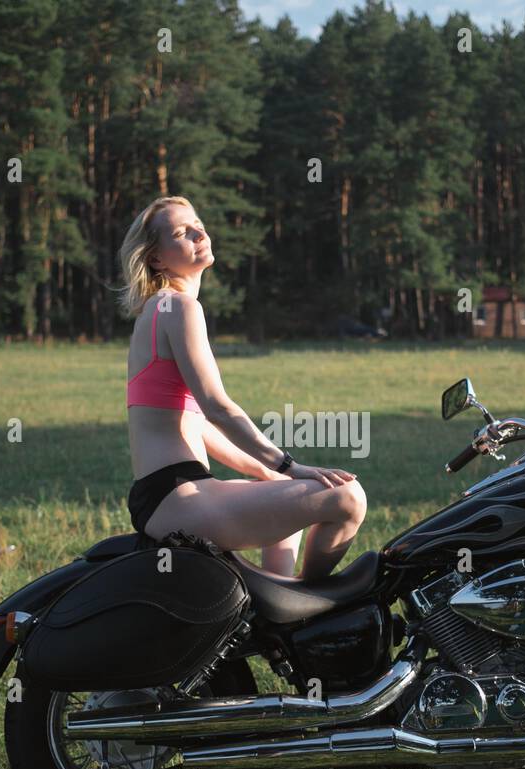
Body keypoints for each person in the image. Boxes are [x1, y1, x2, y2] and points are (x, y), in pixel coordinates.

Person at [119, 196, 366, 580]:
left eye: (199, 223)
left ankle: (278, 609)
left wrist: (273, 473)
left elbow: (195, 423)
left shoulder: (156, 311)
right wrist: (291, 465)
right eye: (184, 233)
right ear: (156, 259)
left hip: (167, 495)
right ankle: (308, 606)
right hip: (180, 498)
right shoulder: (180, 308)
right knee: (348, 499)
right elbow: (217, 407)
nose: (201, 233)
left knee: (284, 487)